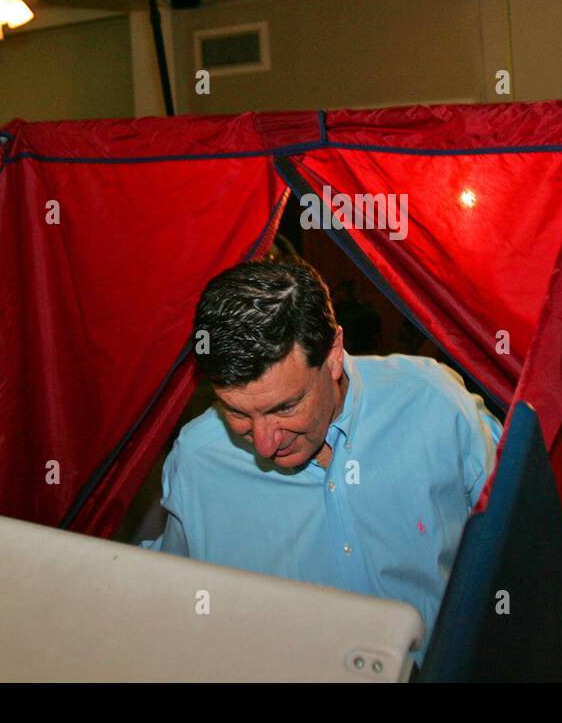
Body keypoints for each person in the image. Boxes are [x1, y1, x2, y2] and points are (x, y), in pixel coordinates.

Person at [142, 257, 502, 658]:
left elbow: (518, 539)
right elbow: (170, 593)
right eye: (238, 412)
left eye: (285, 407)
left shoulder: (434, 403)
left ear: (332, 354)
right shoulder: (197, 461)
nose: (264, 443)